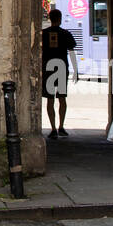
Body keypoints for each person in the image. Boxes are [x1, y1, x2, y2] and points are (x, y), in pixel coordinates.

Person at [41, 8, 78, 139]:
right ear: (60, 18)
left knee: (50, 100)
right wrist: (76, 70)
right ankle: (61, 126)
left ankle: (53, 129)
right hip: (62, 68)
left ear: (50, 19)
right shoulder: (65, 33)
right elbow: (72, 51)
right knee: (62, 99)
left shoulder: (43, 34)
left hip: (48, 69)